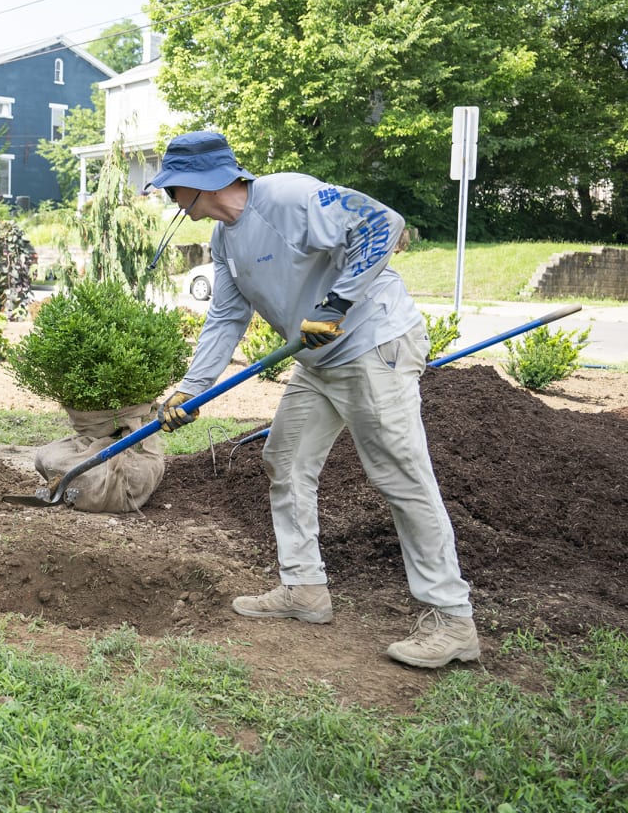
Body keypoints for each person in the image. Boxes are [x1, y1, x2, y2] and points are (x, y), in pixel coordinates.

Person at [151, 131, 479, 670]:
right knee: (285, 459)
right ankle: (304, 588)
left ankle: (451, 618)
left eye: (172, 189)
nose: (170, 201)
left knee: (401, 476)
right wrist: (193, 387)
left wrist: (338, 302)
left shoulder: (288, 196)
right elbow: (227, 317)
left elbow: (383, 224)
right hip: (319, 362)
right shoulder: (225, 239)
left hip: (374, 346)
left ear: (199, 183)